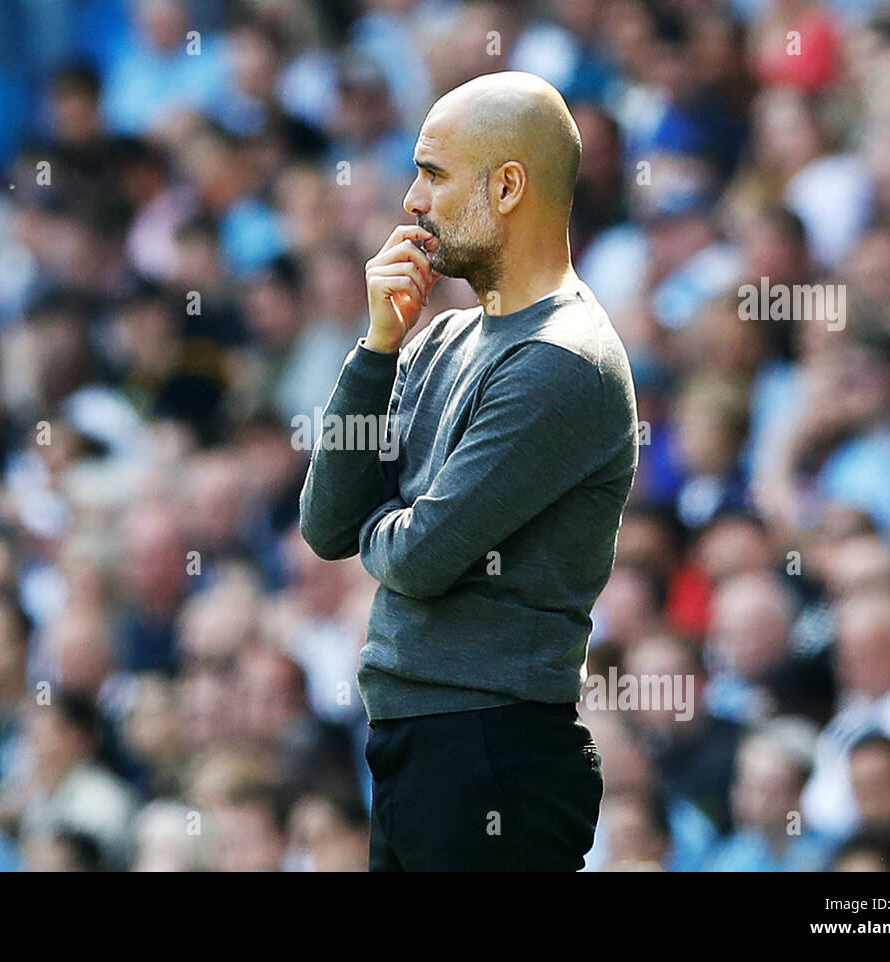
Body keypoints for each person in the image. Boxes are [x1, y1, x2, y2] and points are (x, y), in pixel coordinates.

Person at [299, 71, 638, 870]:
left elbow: (417, 556)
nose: (413, 199)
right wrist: (377, 347)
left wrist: (391, 516)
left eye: (434, 172)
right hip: (424, 749)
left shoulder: (561, 361)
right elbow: (324, 525)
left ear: (510, 186)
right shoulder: (444, 337)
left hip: (493, 759)